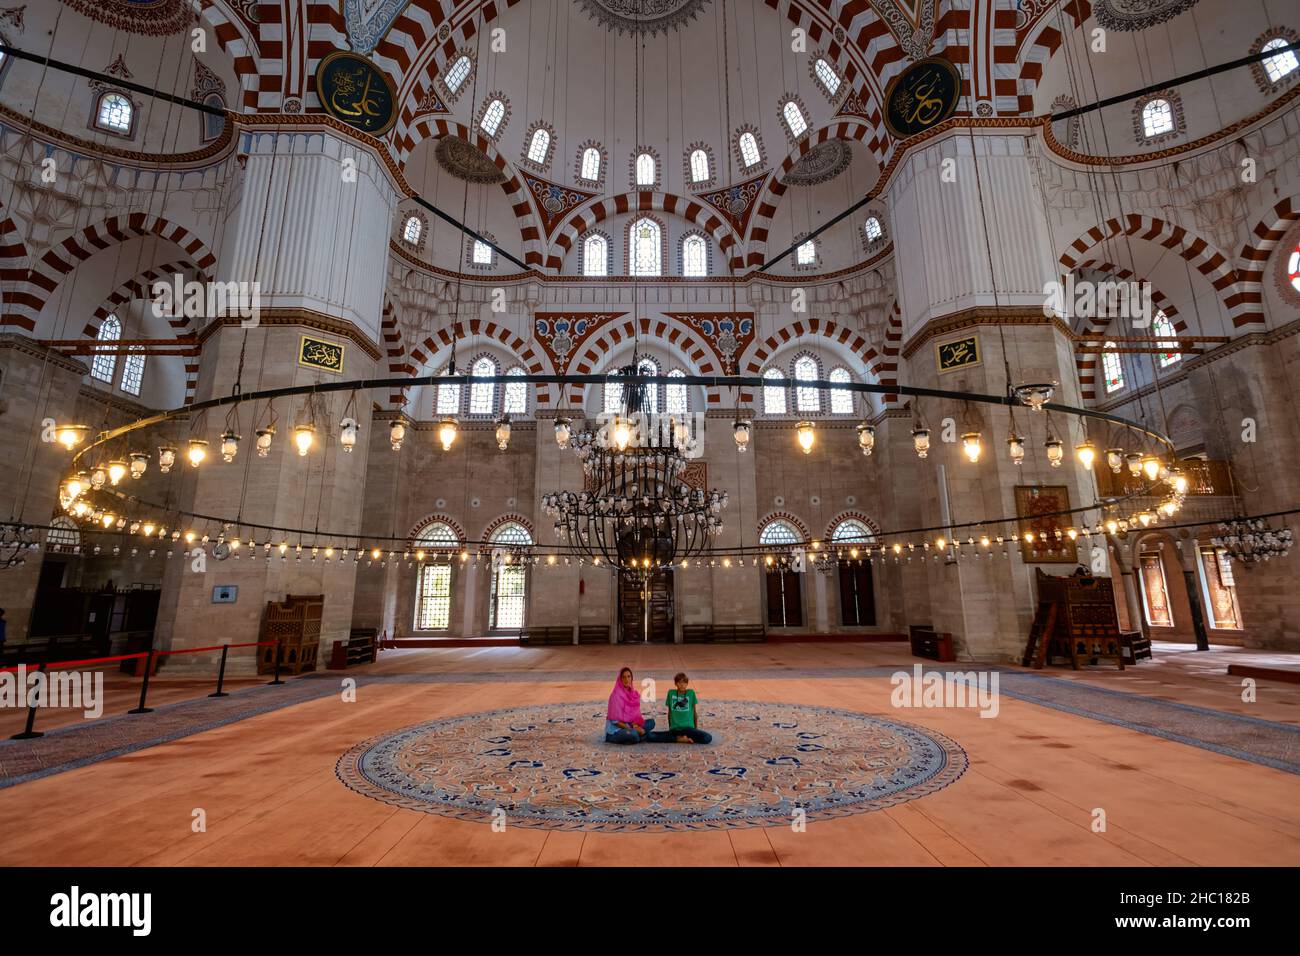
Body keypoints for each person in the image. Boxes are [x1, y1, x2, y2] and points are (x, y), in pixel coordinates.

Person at [605, 666, 657, 744]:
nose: (627, 680)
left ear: (632, 678)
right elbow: (615, 721)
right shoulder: (616, 695)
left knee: (651, 723)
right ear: (620, 679)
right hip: (615, 730)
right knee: (634, 735)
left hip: (628, 724)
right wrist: (633, 728)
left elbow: (633, 716)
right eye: (624, 677)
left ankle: (640, 735)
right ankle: (640, 736)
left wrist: (635, 725)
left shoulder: (632, 693)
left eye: (629, 677)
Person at [659, 672, 712, 744]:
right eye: (679, 682)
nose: (682, 684)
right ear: (675, 683)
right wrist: (670, 728)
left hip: (688, 728)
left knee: (707, 738)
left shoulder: (691, 693)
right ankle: (680, 739)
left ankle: (680, 738)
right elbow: (670, 712)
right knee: (651, 735)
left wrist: (695, 729)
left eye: (684, 682)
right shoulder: (671, 693)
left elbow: (694, 712)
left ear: (687, 684)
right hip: (675, 729)